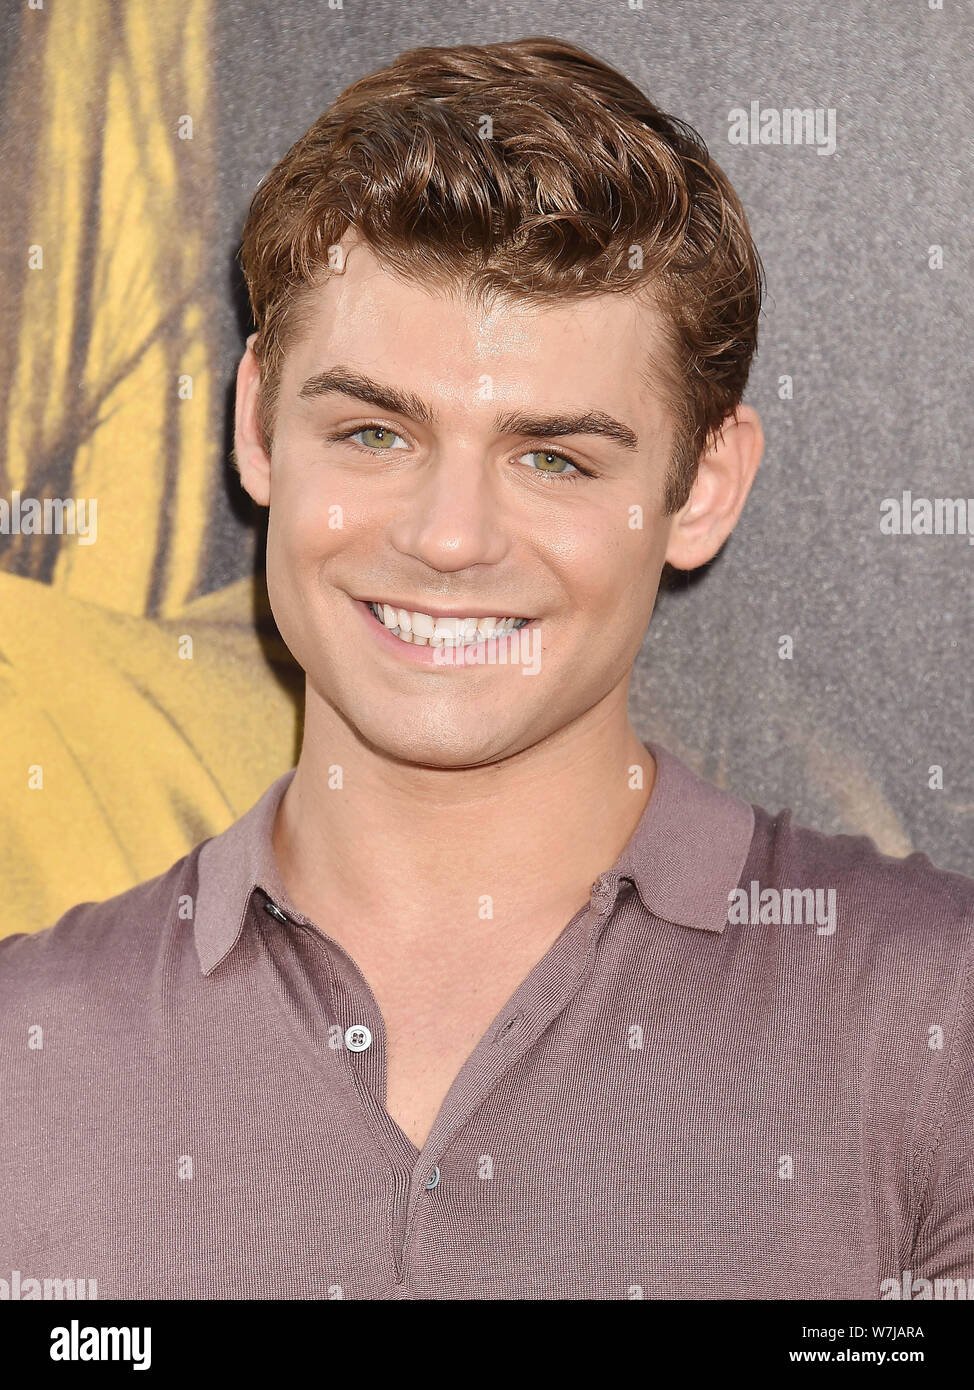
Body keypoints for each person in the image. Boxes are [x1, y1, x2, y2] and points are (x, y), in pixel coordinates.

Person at [2, 36, 971, 1302]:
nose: (446, 536)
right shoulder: (28, 1048)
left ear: (701, 489)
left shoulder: (932, 1025)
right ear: (255, 427)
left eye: (553, 458)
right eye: (371, 431)